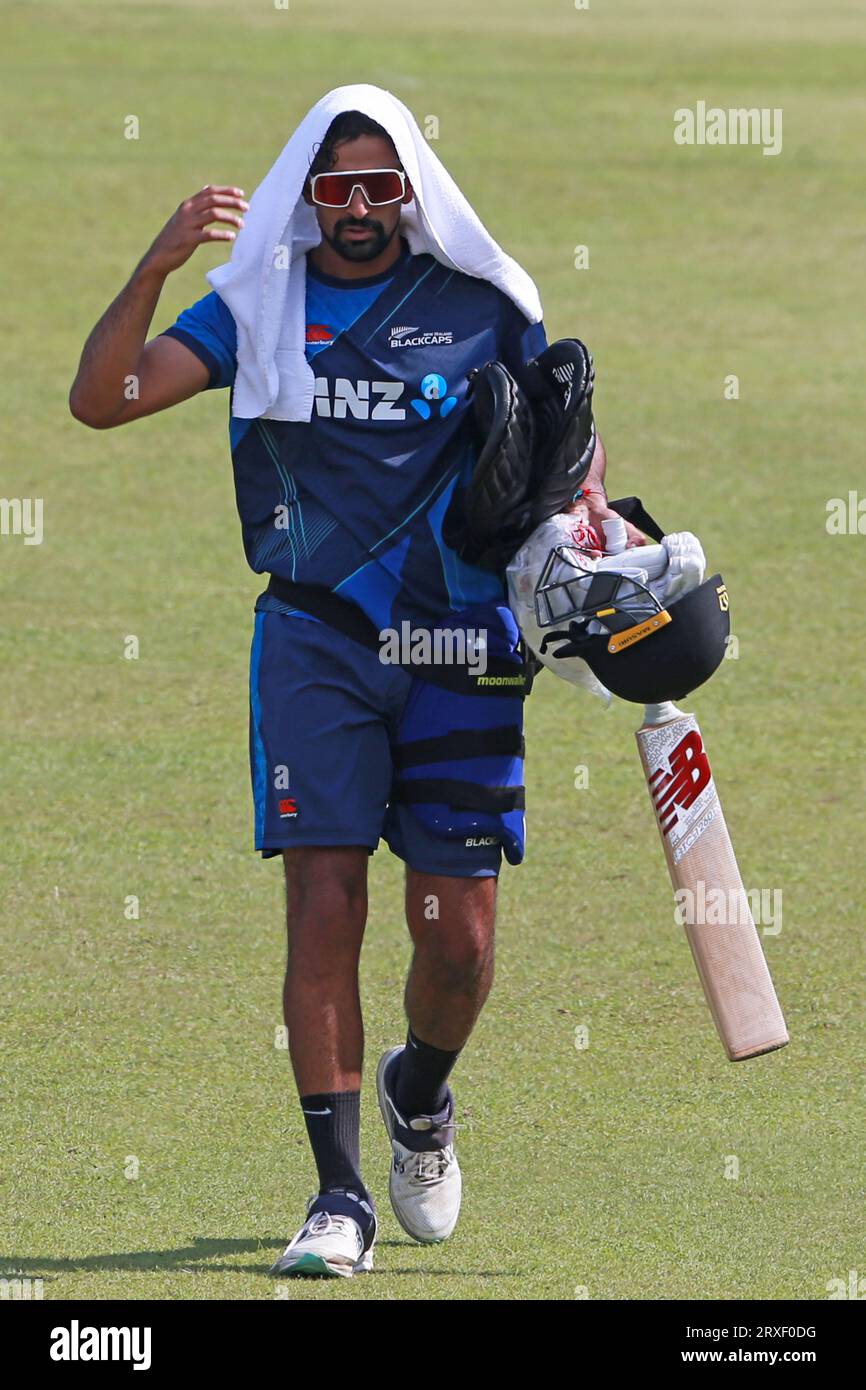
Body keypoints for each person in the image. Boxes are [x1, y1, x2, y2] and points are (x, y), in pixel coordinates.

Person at [70, 94, 636, 1279]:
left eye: (383, 187)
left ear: (414, 194)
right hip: (314, 644)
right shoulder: (254, 310)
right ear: (306, 198)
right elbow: (102, 399)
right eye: (338, 190)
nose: (363, 209)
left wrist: (593, 524)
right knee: (323, 902)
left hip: (462, 648)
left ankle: (417, 1093)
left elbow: (564, 444)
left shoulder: (481, 307)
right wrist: (157, 261)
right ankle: (335, 1195)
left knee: (459, 943)